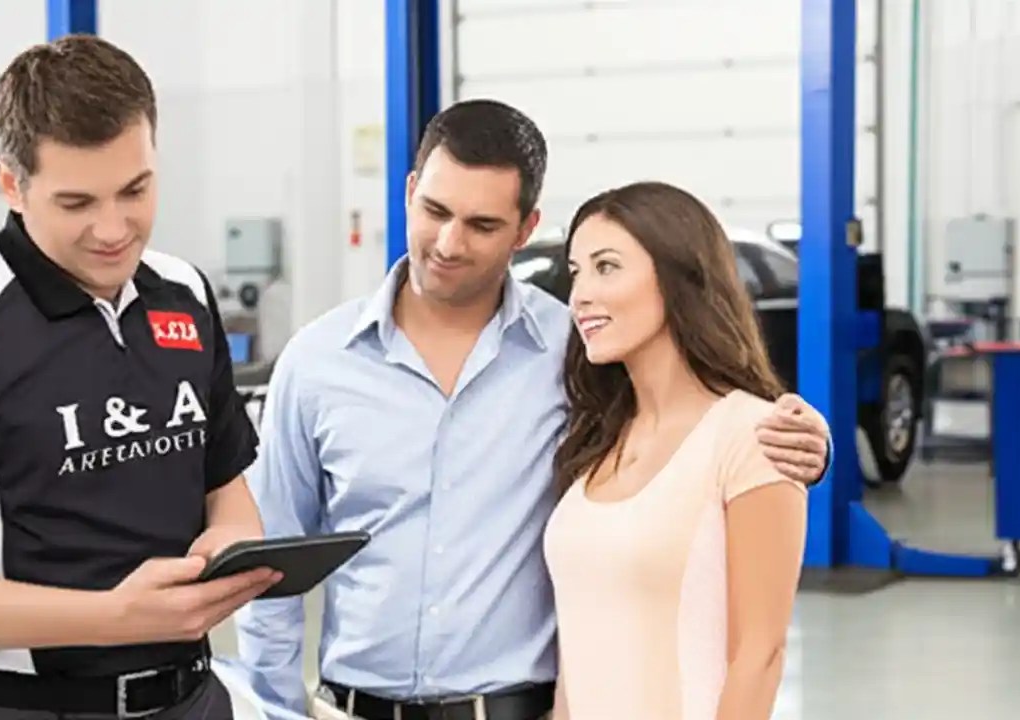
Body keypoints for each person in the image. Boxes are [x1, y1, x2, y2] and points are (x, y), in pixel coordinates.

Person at [231, 99, 831, 720]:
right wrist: (276, 708)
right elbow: (271, 561)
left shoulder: (576, 353)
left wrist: (806, 442)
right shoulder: (318, 361)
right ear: (410, 190)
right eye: (435, 210)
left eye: (483, 225)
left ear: (524, 229)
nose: (448, 243)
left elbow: (693, 421)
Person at [0, 35, 279, 719]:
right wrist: (112, 618)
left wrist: (229, 545)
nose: (113, 228)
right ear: (13, 184)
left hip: (196, 699)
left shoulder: (183, 292)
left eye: (136, 189)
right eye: (76, 203)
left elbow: (227, 489)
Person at [545, 182, 809, 719]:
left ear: (677, 277)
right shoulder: (598, 440)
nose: (581, 295)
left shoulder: (751, 436)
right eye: (576, 272)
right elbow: (577, 652)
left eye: (607, 267)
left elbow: (760, 655)